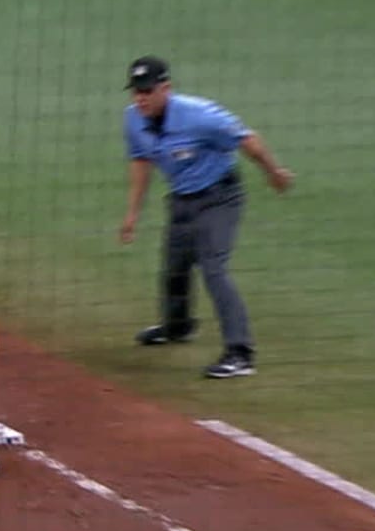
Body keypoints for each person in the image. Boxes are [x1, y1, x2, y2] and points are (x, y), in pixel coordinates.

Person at [118, 55, 294, 378]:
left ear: (165, 88)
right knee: (174, 267)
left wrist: (274, 171)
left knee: (213, 269)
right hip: (181, 200)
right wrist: (132, 215)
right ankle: (178, 326)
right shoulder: (134, 119)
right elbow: (141, 162)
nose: (140, 98)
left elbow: (247, 139)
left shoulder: (200, 116)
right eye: (136, 91)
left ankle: (240, 353)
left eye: (147, 91)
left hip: (220, 197)